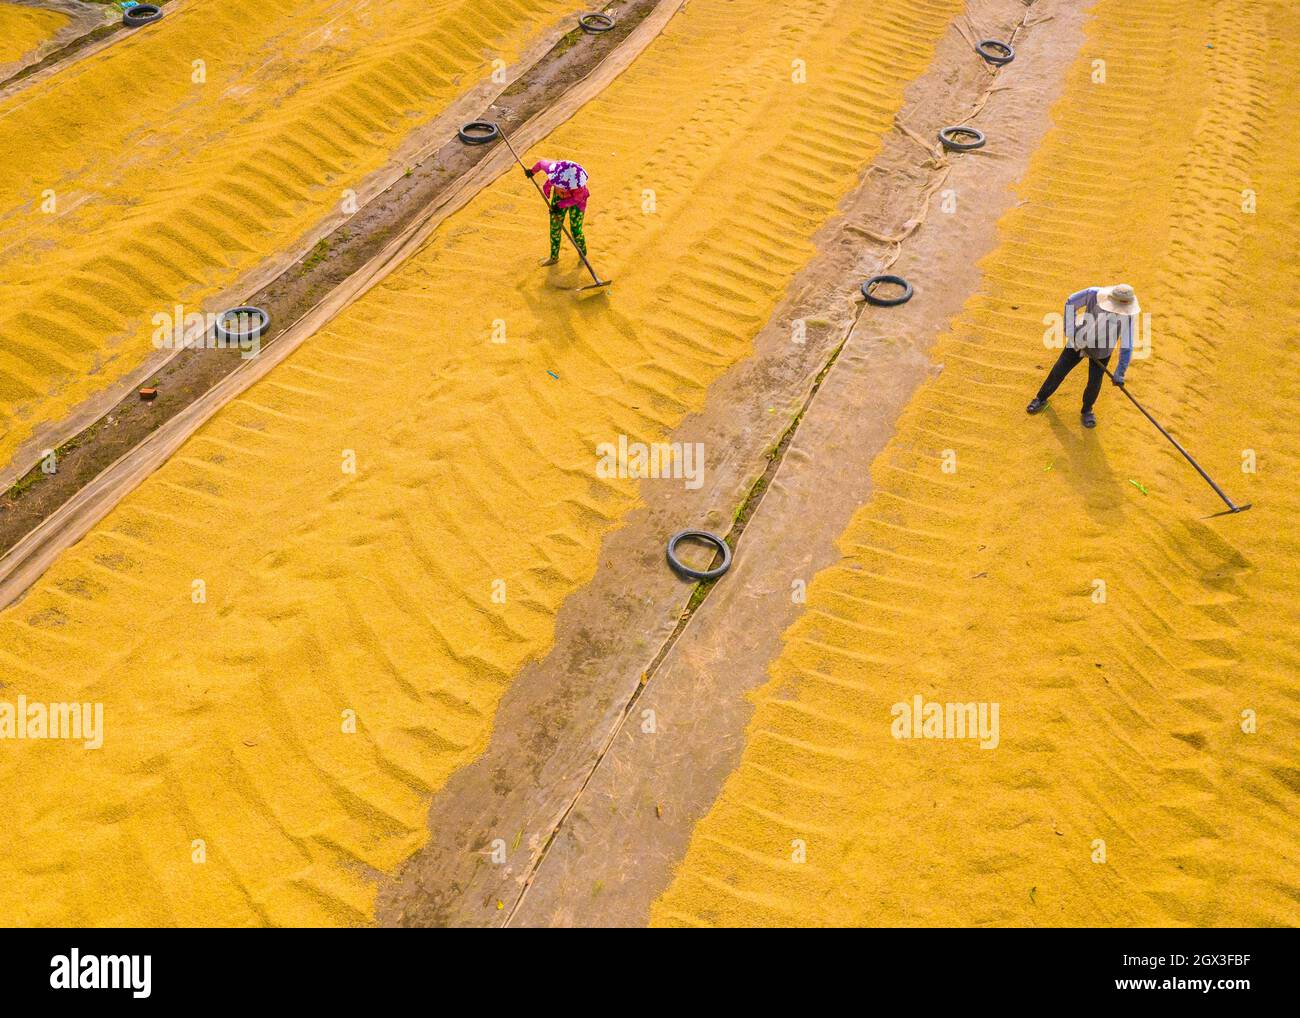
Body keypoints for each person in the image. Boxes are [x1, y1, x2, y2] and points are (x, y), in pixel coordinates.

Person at [1027, 283, 1140, 428]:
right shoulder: (1093, 294)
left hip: (1103, 348)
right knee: (1059, 370)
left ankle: (1087, 410)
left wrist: (1120, 373)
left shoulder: (1130, 314)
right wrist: (1071, 331)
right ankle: (1041, 398)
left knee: (1094, 382)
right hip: (1080, 339)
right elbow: (1071, 302)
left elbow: (1127, 344)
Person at [525, 159, 590, 266]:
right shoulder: (553, 171)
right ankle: (554, 257)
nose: (562, 193)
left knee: (576, 230)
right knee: (554, 228)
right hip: (559, 201)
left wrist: (559, 205)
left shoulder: (579, 188)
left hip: (577, 202)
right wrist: (532, 171)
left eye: (564, 191)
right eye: (559, 188)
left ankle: (583, 255)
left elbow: (576, 199)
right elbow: (541, 163)